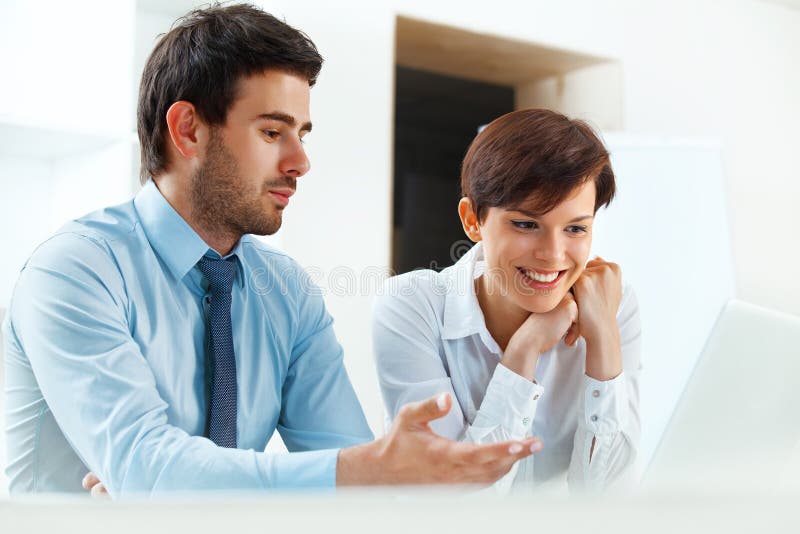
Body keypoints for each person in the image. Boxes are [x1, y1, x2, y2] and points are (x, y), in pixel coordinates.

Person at [1, 4, 541, 497]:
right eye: (272, 132)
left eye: (302, 133)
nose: (300, 161)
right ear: (188, 130)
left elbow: (352, 480)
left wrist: (365, 472)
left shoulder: (285, 292)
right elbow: (148, 468)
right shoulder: (75, 271)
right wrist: (360, 470)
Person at [373, 109, 642, 493]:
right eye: (526, 224)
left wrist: (603, 338)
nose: (552, 254)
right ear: (472, 220)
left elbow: (609, 499)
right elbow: (454, 503)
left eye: (575, 228)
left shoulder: (613, 304)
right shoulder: (413, 306)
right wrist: (524, 350)